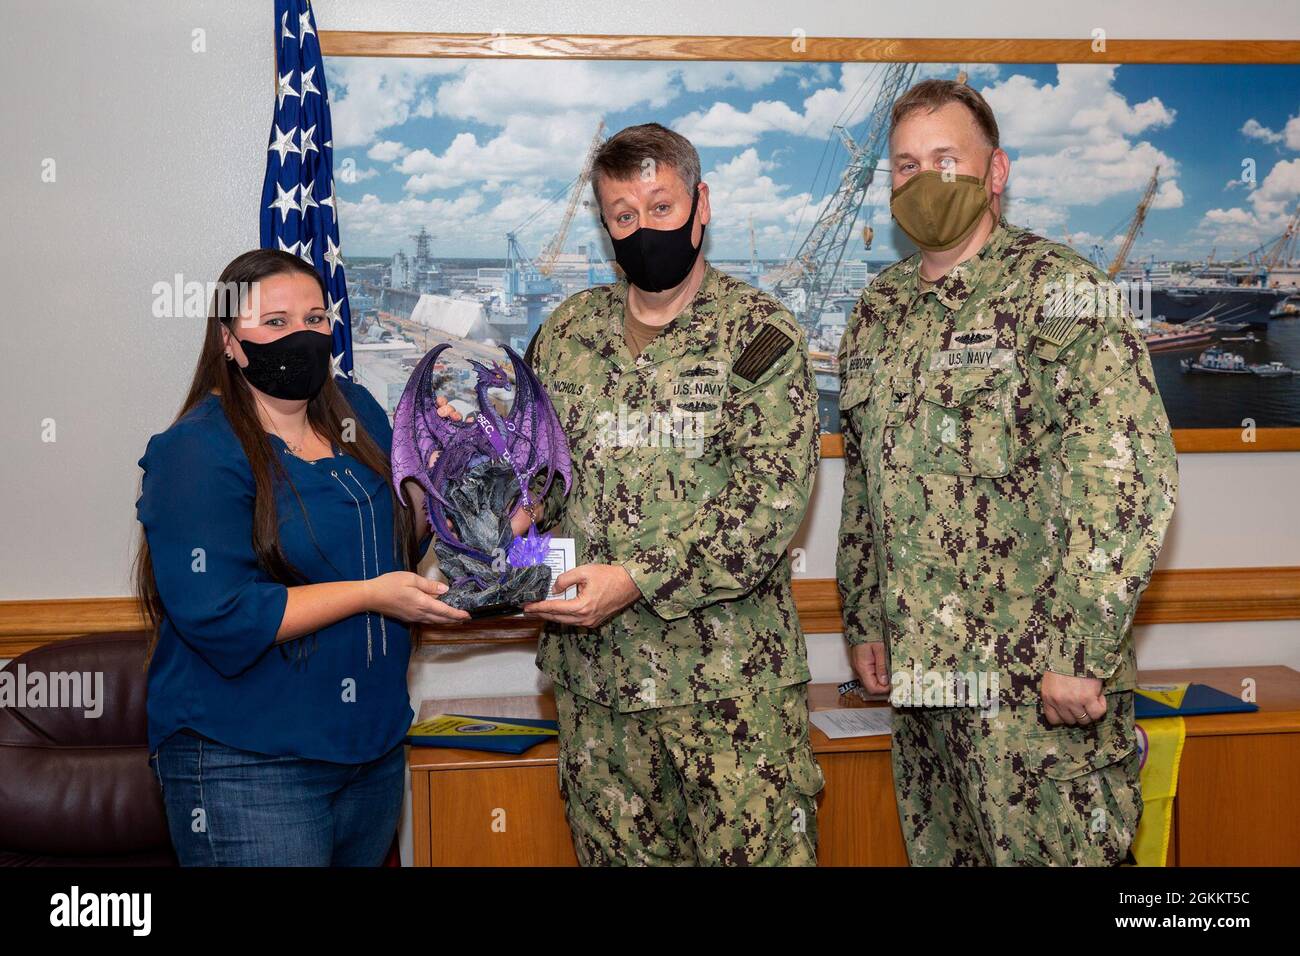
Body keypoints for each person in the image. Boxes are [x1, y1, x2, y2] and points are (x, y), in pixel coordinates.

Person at [835, 80, 1179, 866]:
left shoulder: (1062, 293)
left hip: (1037, 696)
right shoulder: (879, 310)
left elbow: (1128, 480)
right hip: (927, 691)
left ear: (996, 172)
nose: (924, 180)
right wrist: (864, 618)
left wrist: (1079, 652)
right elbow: (865, 484)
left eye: (945, 159)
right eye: (906, 165)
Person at [510, 122, 824, 865]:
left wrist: (634, 578)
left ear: (700, 204)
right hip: (597, 694)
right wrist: (511, 532)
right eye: (624, 215)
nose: (644, 228)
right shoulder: (566, 334)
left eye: (661, 207)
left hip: (729, 695)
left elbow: (769, 504)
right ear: (604, 225)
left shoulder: (759, 335)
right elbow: (536, 475)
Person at [134, 248, 467, 866]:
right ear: (229, 341)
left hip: (370, 748)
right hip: (249, 761)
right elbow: (219, 612)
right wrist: (369, 594)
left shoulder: (357, 412)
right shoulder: (196, 451)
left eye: (315, 319)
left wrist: (437, 471)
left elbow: (395, 543)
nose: (302, 335)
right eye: (276, 322)